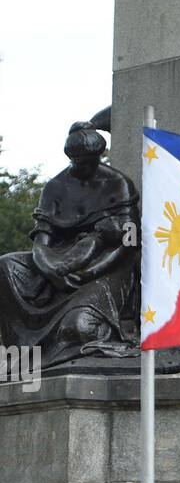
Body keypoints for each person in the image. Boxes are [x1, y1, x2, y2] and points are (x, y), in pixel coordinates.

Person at [0, 122, 139, 368]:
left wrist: (87, 273)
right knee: (6, 265)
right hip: (59, 261)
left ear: (99, 156)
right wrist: (49, 269)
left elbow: (129, 242)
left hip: (106, 265)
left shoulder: (118, 184)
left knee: (79, 328)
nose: (82, 166)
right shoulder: (55, 187)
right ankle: (15, 351)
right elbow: (42, 242)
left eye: (88, 160)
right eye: (77, 160)